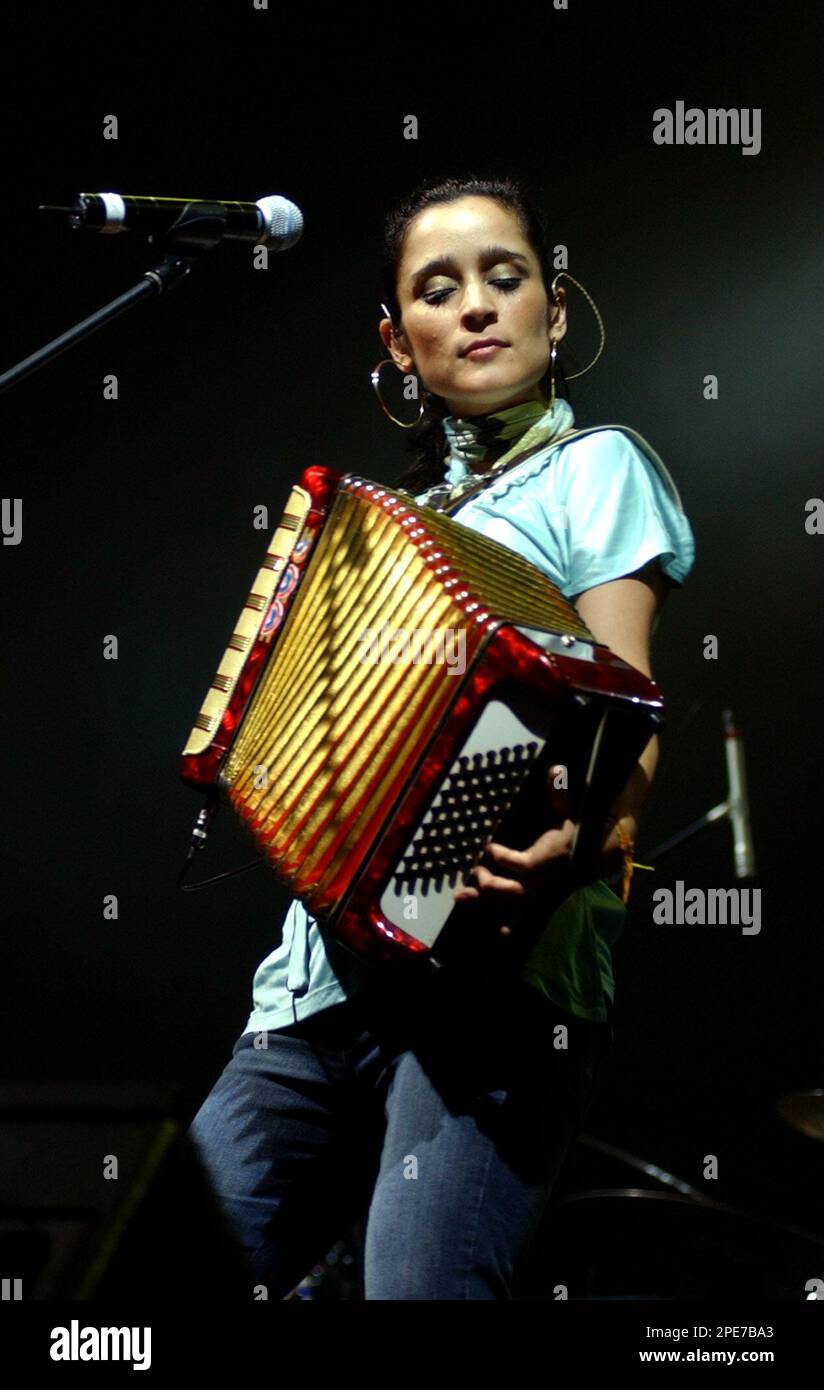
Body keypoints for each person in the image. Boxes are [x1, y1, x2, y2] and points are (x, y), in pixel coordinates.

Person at [187, 173, 696, 1300]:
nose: (474, 306)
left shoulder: (593, 468)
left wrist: (582, 852)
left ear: (553, 313)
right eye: (437, 288)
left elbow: (630, 711)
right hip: (313, 991)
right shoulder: (374, 536)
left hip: (495, 987)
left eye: (502, 278)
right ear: (396, 341)